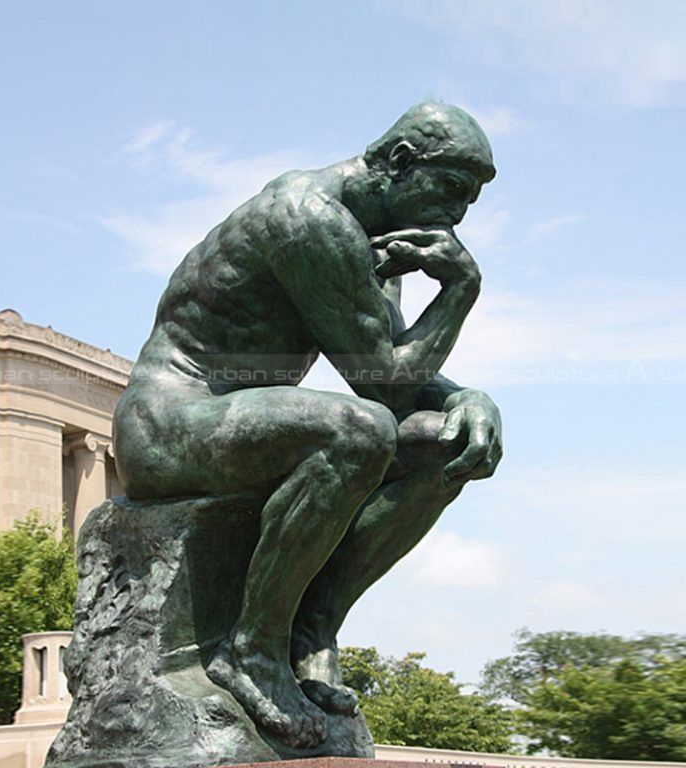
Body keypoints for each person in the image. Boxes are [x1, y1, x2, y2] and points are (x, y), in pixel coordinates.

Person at [113, 102, 503, 748]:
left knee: (446, 445)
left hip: (233, 421)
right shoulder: (308, 217)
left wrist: (470, 400)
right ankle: (252, 651)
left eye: (470, 201)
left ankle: (310, 627)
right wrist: (460, 291)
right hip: (167, 421)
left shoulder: (374, 247)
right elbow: (384, 383)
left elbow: (395, 372)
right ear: (402, 163)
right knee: (361, 432)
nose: (458, 216)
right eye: (453, 190)